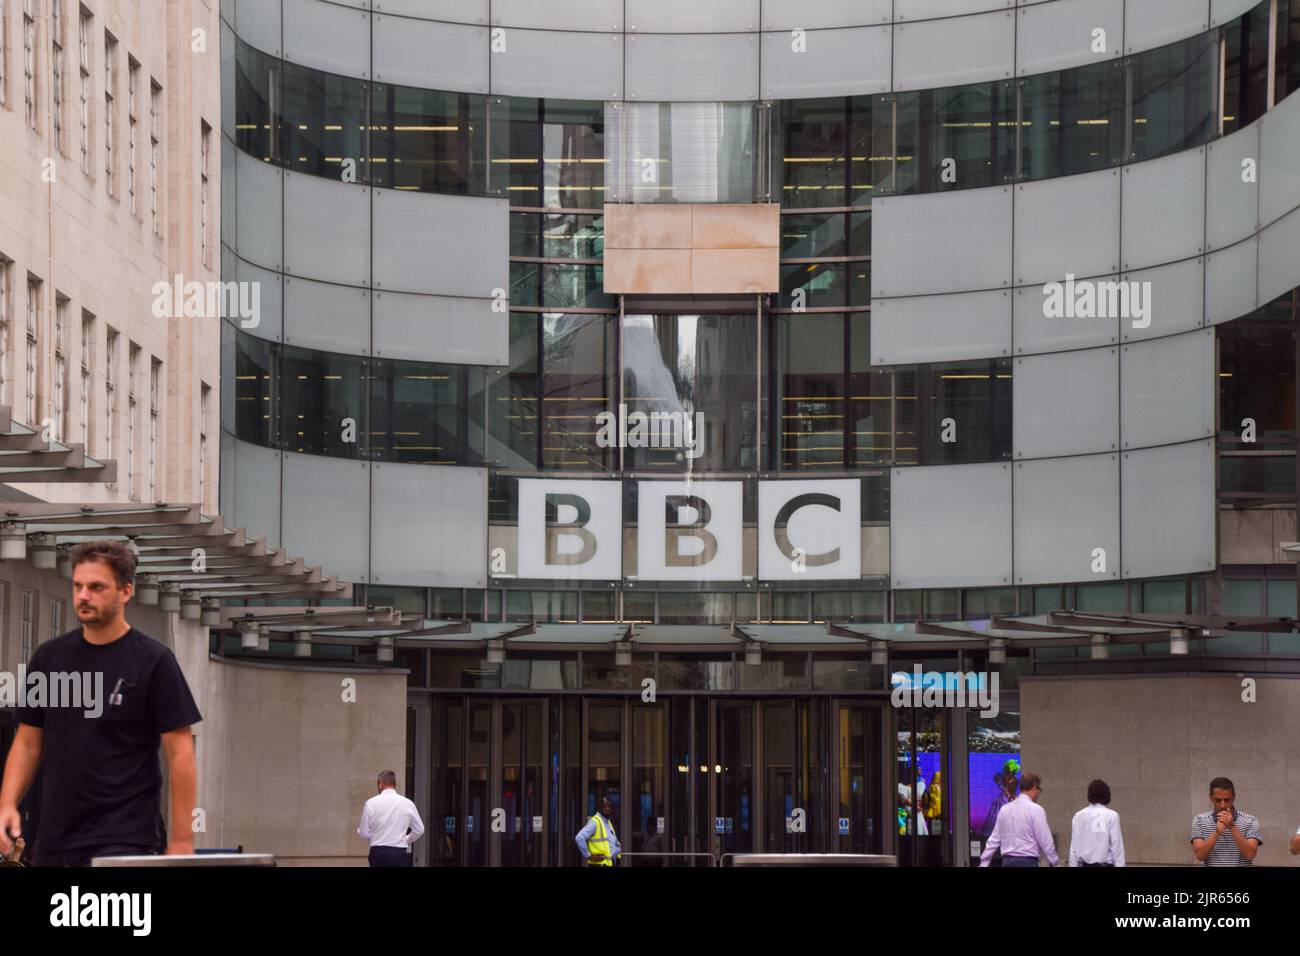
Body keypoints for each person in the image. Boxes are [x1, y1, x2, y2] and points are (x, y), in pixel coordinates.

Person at [0, 541, 201, 867]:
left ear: (125, 591)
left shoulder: (153, 661)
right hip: (55, 839)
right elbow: (27, 743)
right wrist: (7, 804)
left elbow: (181, 754)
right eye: (78, 585)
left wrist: (181, 840)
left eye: (96, 587)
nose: (83, 595)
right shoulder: (49, 659)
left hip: (124, 839)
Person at [979, 771, 1058, 867]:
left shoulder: (1004, 809)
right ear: (1034, 788)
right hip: (1027, 862)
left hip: (1006, 862)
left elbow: (994, 840)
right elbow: (1046, 841)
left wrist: (984, 863)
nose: (1038, 794)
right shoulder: (1036, 810)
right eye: (1039, 790)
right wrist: (1055, 863)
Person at [357, 770, 424, 867]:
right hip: (398, 851)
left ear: (380, 783)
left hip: (378, 851)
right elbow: (419, 829)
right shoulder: (407, 803)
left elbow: (364, 832)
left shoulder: (371, 803)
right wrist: (406, 839)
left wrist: (374, 839)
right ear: (394, 784)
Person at [1191, 777, 1261, 866]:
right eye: (1218, 800)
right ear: (1211, 798)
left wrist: (1232, 826)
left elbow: (1250, 855)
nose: (1222, 805)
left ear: (1234, 797)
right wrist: (1216, 833)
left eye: (1227, 800)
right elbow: (1200, 856)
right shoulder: (1199, 820)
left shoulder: (1250, 820)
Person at [1068, 779, 1125, 867]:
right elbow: (1117, 848)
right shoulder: (1112, 816)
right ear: (1107, 794)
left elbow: (1073, 849)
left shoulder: (1078, 816)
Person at [575, 795, 621, 866]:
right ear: (599, 808)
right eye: (605, 806)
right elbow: (579, 838)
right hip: (599, 864)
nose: (608, 808)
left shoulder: (607, 822)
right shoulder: (595, 822)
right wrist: (589, 856)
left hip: (609, 863)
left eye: (609, 806)